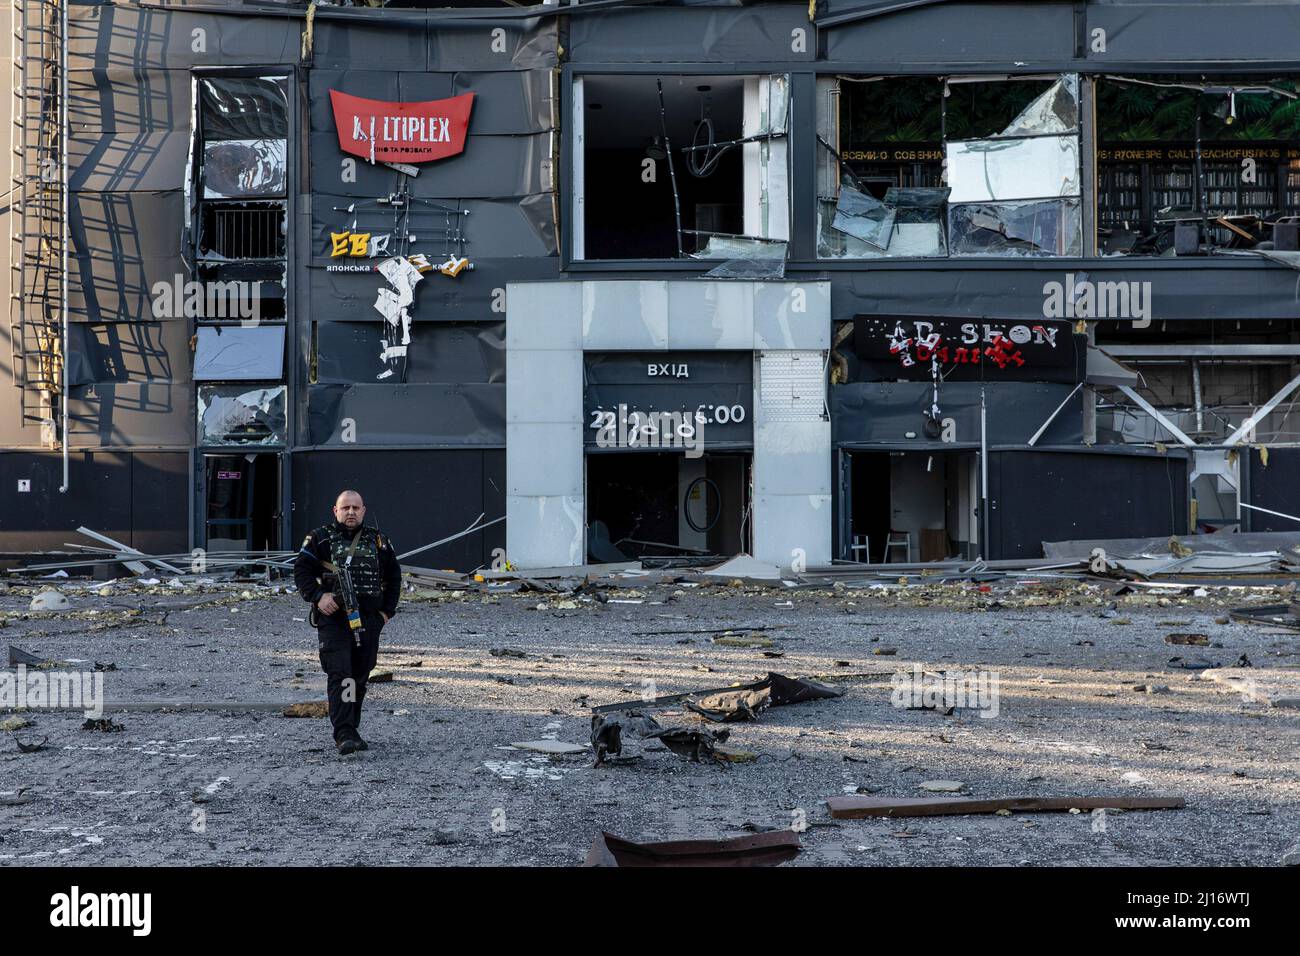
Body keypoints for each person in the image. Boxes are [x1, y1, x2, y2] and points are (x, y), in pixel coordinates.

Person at [293, 490, 400, 755]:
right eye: (345, 508)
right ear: (336, 511)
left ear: (363, 510)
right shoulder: (320, 539)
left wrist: (385, 614)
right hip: (334, 620)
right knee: (340, 673)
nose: (350, 512)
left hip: (368, 620)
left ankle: (351, 727)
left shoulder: (378, 541)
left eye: (355, 508)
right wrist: (318, 596)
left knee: (359, 675)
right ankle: (344, 732)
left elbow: (394, 578)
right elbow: (302, 571)